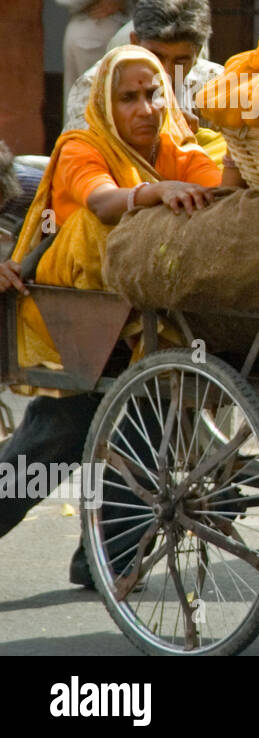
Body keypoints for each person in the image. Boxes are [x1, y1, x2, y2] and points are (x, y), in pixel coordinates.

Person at [0, 45, 226, 586]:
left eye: (153, 94)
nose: (145, 108)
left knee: (146, 422)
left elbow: (220, 189)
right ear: (106, 106)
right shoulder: (81, 145)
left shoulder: (179, 145)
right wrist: (156, 192)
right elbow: (101, 203)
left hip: (138, 316)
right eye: (129, 98)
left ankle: (108, 558)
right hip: (72, 316)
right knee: (56, 439)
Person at [66, 0, 221, 135]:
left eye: (179, 61)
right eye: (156, 57)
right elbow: (80, 150)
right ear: (134, 42)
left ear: (197, 53)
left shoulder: (218, 84)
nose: (165, 72)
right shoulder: (95, 85)